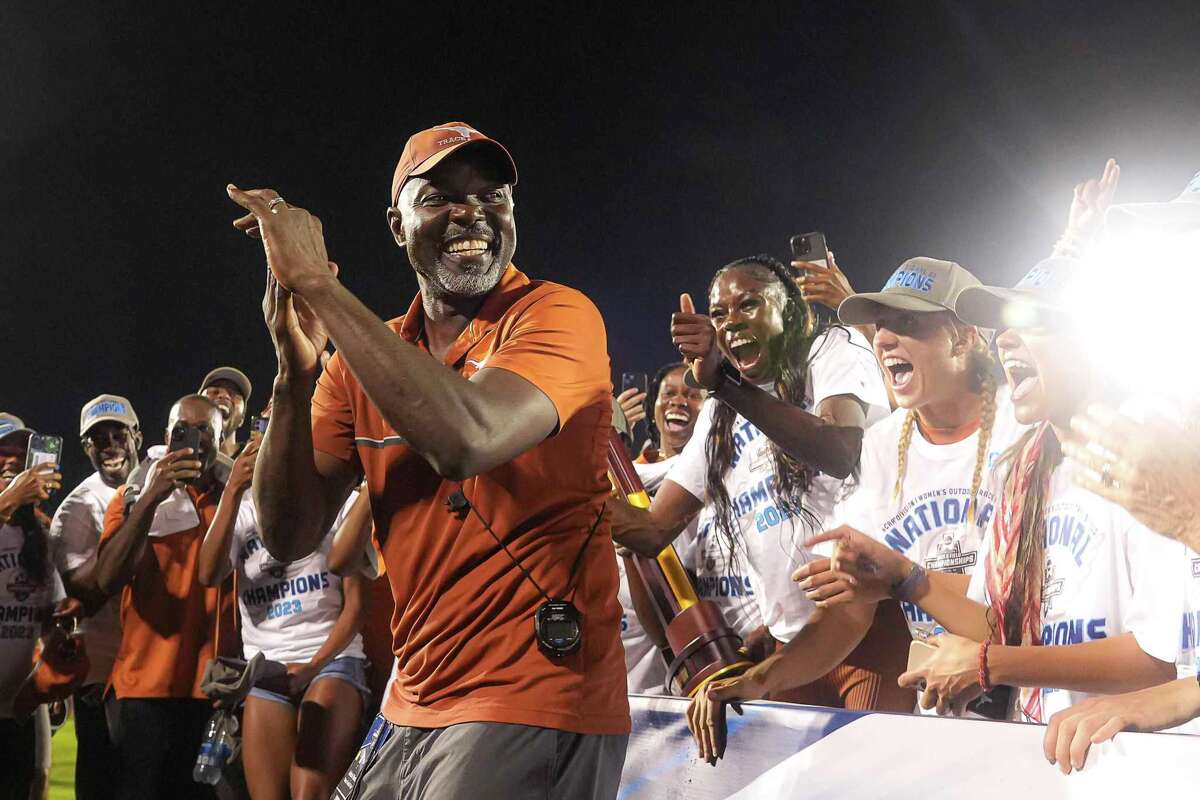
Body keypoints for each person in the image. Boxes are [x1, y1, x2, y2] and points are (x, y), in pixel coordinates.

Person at [227, 121, 628, 799]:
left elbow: (467, 438)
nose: (471, 211)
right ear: (396, 224)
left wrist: (321, 289)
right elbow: (289, 534)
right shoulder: (367, 355)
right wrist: (294, 378)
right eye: (441, 197)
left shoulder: (556, 314)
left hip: (534, 692)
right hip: (411, 697)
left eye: (491, 196)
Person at [798, 256, 1182, 726]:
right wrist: (906, 579)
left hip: (1147, 764)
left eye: (1028, 322)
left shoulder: (1154, 451)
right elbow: (999, 623)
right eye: (1002, 326)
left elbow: (1163, 659)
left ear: (1094, 339)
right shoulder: (1024, 465)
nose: (1005, 339)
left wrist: (988, 665)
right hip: (1045, 751)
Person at [686, 257, 1029, 756]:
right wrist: (761, 680)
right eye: (883, 324)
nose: (884, 338)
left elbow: (1029, 608)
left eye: (908, 323)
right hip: (943, 719)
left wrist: (905, 579)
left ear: (963, 337)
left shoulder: (1023, 431)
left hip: (1037, 711)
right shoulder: (883, 447)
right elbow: (848, 615)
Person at [611, 253, 911, 731]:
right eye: (720, 314)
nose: (731, 323)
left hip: (868, 631)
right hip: (791, 644)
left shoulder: (829, 349)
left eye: (748, 305)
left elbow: (838, 449)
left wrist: (725, 384)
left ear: (787, 311)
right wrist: (560, 486)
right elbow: (651, 530)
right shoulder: (717, 416)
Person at [197, 437, 369, 800]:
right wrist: (232, 490)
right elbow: (208, 574)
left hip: (330, 660)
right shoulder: (242, 510)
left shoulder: (337, 499)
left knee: (310, 790)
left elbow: (355, 608)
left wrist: (311, 667)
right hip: (267, 666)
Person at [93, 395, 238, 800]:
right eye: (181, 431)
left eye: (205, 431)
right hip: (145, 688)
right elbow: (107, 577)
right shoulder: (134, 495)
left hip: (213, 691)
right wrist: (153, 496)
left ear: (223, 438)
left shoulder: (237, 498)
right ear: (166, 436)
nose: (193, 441)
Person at [48, 395, 142, 800]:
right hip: (102, 674)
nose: (109, 445)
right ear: (85, 447)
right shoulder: (76, 509)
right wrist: (131, 525)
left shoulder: (164, 478)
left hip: (161, 666)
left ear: (136, 434)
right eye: (97, 438)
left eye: (117, 433)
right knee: (102, 782)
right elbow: (83, 592)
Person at [0, 414, 65, 800]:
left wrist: (60, 641)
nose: (10, 461)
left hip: (24, 701)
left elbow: (47, 617)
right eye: (1, 453)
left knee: (33, 784)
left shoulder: (38, 531)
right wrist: (7, 501)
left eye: (19, 454)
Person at [201, 367, 253, 458]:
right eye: (215, 391)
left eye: (233, 393)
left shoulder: (256, 462)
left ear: (242, 418)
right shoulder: (176, 457)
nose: (224, 395)